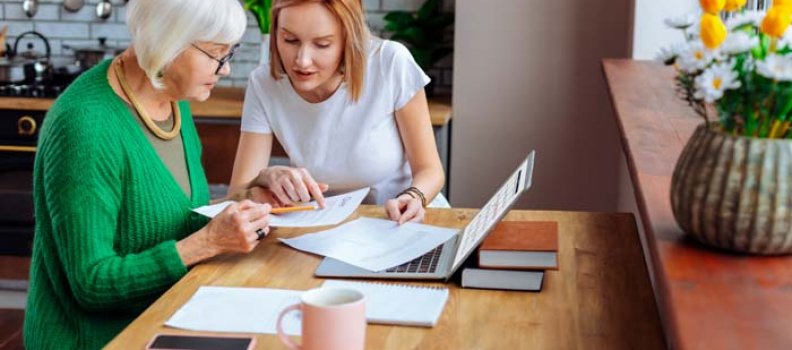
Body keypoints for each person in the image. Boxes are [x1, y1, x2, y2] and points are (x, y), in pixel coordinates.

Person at [24, 1, 271, 349]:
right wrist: (207, 243)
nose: (225, 69)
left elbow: (170, 218)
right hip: (99, 339)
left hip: (168, 314)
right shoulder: (86, 126)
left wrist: (248, 200)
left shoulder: (171, 95)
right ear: (169, 43)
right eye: (217, 54)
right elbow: (91, 282)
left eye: (229, 52)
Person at [229, 0, 446, 224]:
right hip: (328, 228)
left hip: (401, 223)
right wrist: (266, 177)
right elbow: (237, 194)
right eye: (289, 40)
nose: (302, 61)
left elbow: (430, 170)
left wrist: (413, 197)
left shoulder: (389, 63)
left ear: (348, 39)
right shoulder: (264, 83)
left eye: (322, 44)